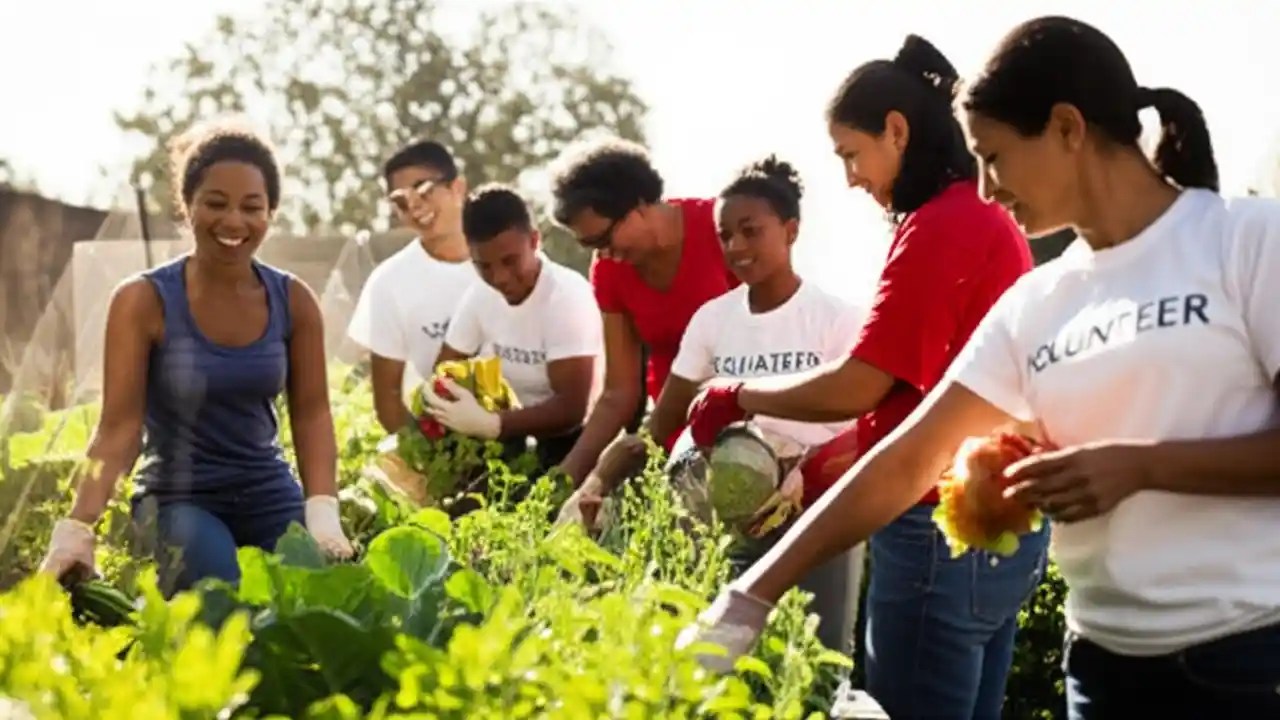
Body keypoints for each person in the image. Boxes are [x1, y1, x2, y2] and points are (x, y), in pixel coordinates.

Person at [683, 15, 1280, 720]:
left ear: (1067, 127)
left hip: (1243, 657)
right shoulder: (1040, 300)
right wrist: (750, 595)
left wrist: (1138, 466)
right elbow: (909, 458)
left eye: (993, 157)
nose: (989, 190)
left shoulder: (1247, 241)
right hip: (1098, 666)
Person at [684, 35, 1047, 719]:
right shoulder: (987, 216)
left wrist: (737, 396)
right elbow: (928, 400)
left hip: (938, 528)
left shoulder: (939, 227)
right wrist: (819, 464)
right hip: (999, 518)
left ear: (898, 131)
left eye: (852, 155)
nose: (852, 178)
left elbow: (862, 386)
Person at [37, 120, 353, 595]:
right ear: (188, 207)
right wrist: (78, 527)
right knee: (217, 591)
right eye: (216, 203)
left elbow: (312, 414)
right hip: (178, 500)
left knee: (311, 600)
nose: (233, 222)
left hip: (268, 490)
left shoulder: (294, 301)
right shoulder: (143, 301)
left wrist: (323, 511)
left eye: (252, 207)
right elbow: (119, 427)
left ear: (270, 213)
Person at [547, 137, 739, 484]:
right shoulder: (609, 270)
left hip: (743, 431)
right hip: (669, 437)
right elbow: (618, 394)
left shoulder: (721, 228)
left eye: (603, 239)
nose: (602, 254)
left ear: (638, 205)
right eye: (589, 246)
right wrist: (564, 479)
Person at [429, 184, 603, 471]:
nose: (500, 278)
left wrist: (493, 424)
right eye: (483, 266)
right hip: (510, 434)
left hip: (573, 442)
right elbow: (444, 368)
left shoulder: (566, 297)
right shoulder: (480, 295)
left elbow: (573, 409)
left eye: (510, 261)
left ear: (534, 241)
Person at [347, 140, 477, 433]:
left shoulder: (505, 259)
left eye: (424, 190)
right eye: (401, 201)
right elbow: (388, 400)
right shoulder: (389, 282)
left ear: (457, 188)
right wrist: (427, 457)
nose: (415, 207)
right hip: (448, 442)